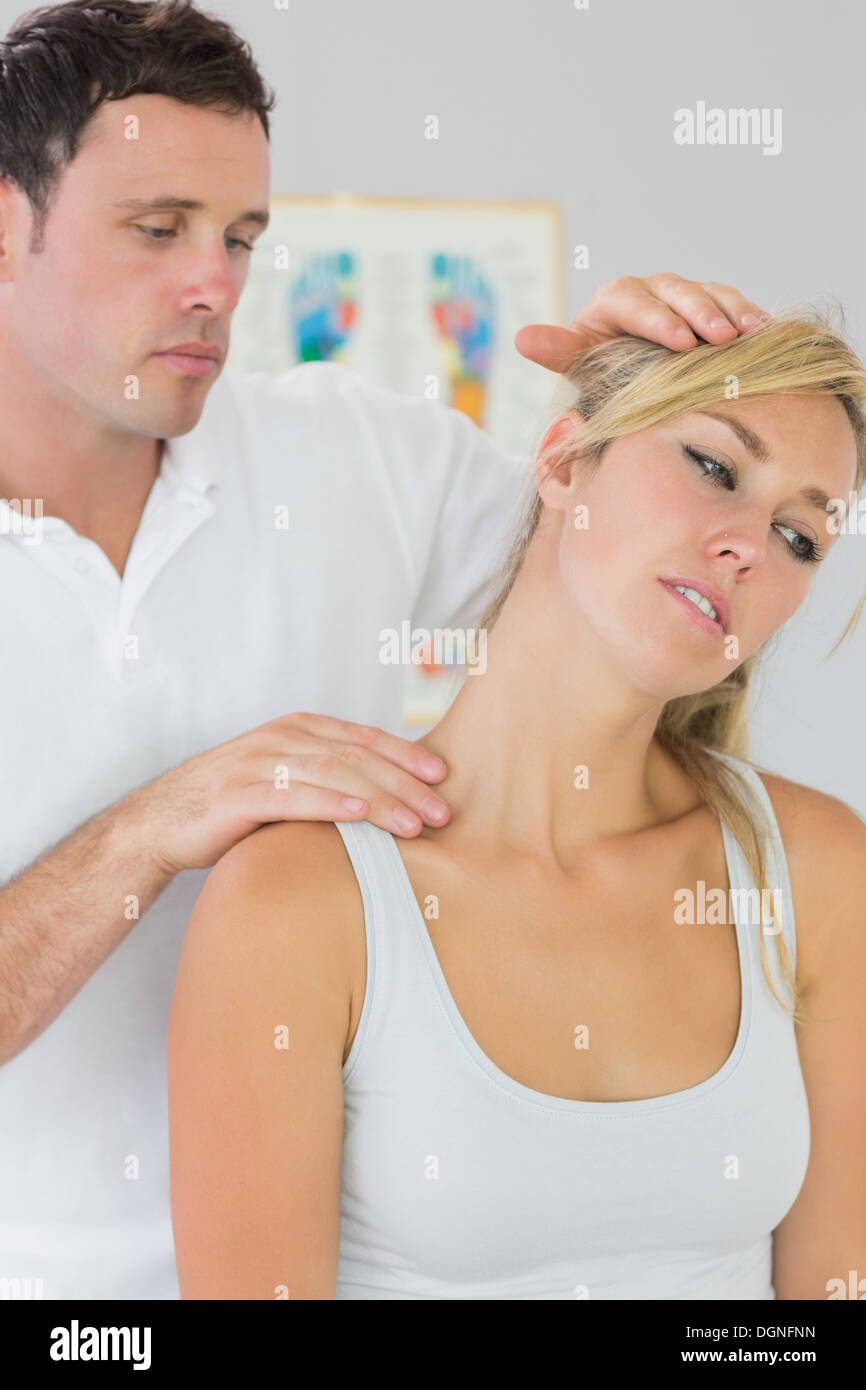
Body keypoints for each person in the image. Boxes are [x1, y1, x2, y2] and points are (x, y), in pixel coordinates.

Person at [0, 0, 769, 1301]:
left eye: (241, 237)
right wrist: (152, 826)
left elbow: (624, 595)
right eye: (158, 229)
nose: (215, 284)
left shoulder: (354, 450)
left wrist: (646, 401)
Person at [168, 308, 866, 1301]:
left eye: (798, 535)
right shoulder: (295, 901)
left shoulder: (812, 868)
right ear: (565, 462)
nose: (747, 545)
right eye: (714, 468)